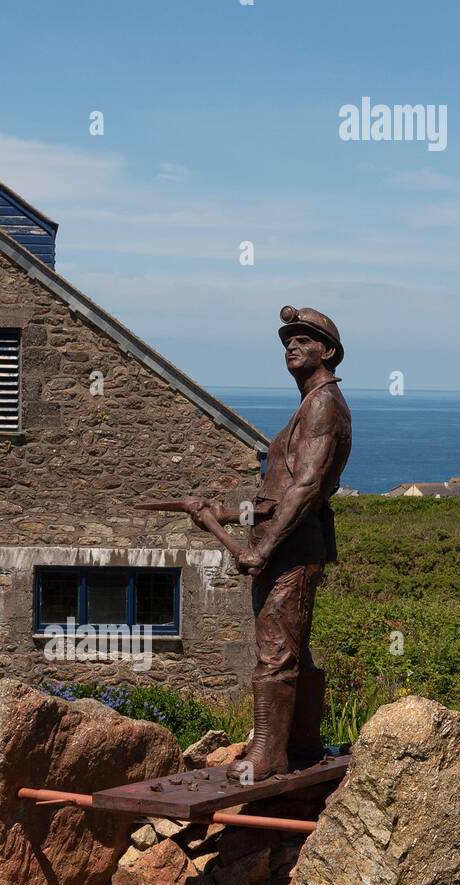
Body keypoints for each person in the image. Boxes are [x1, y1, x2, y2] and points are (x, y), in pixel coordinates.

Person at [186, 306, 352, 781]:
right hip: (288, 544)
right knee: (295, 649)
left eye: (304, 339)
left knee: (275, 653)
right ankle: (301, 743)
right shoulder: (310, 405)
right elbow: (273, 499)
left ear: (328, 351)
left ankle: (268, 754)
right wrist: (221, 513)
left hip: (291, 551)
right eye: (287, 341)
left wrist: (264, 548)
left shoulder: (322, 405)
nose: (292, 346)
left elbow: (307, 487)